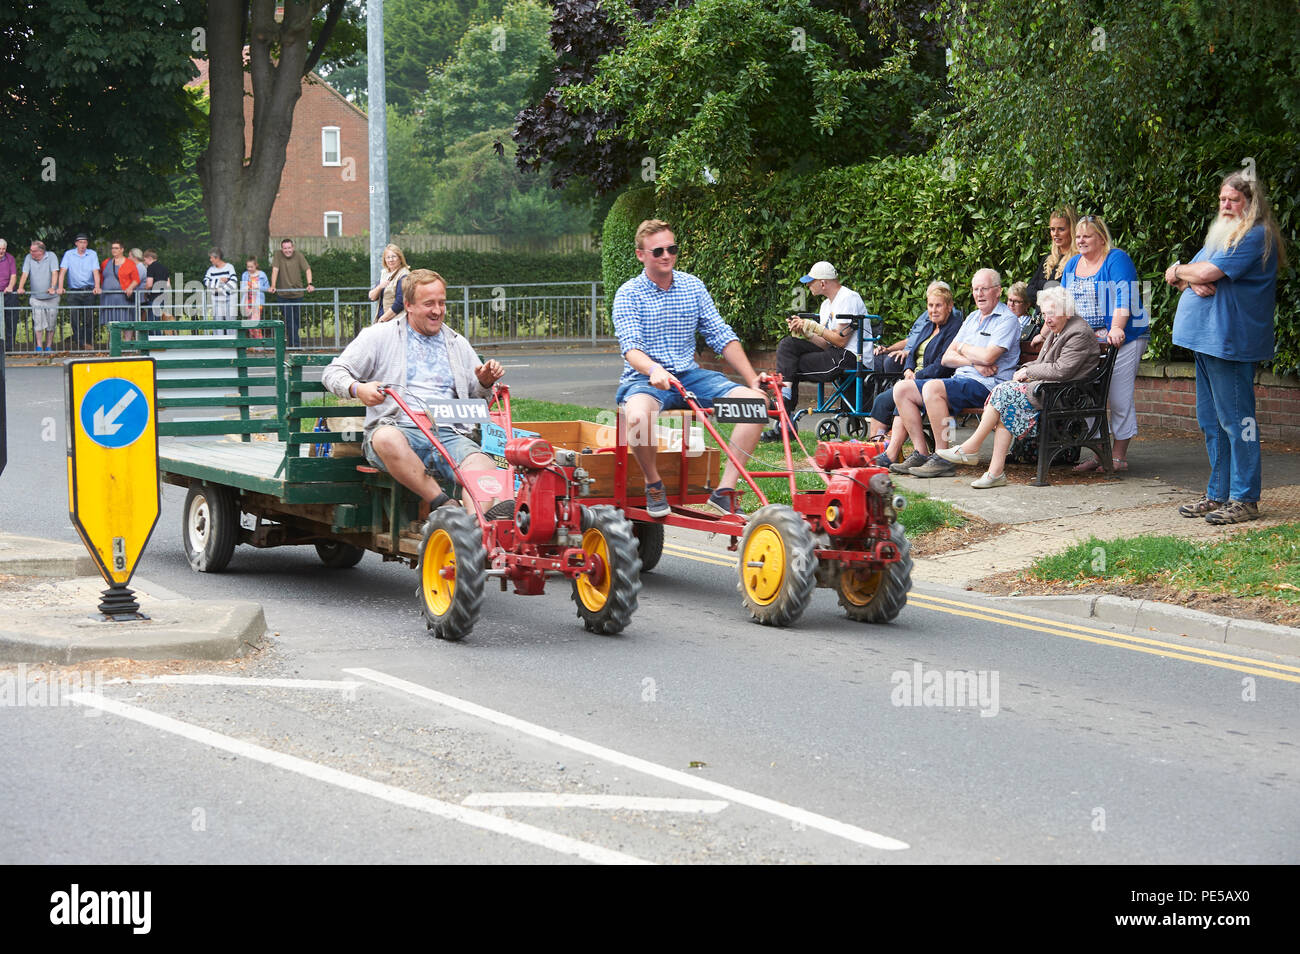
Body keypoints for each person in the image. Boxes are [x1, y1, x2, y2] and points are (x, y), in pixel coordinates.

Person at [321, 269, 510, 517]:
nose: (437, 310)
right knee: (386, 438)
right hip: (398, 429)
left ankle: (476, 530)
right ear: (408, 305)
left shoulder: (456, 342)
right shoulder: (380, 335)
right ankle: (444, 504)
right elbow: (333, 372)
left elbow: (475, 397)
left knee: (483, 466)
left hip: (449, 434)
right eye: (429, 303)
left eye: (442, 303)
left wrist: (484, 382)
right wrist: (359, 388)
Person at [612, 219, 767, 517]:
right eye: (658, 251)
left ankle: (724, 491)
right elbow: (631, 348)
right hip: (645, 380)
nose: (666, 255)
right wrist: (654, 370)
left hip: (690, 377)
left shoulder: (692, 286)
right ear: (640, 255)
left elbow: (720, 334)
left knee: (756, 404)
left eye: (672, 249)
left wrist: (752, 379)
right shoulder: (628, 294)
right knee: (637, 418)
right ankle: (653, 483)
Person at [1166, 171, 1284, 525]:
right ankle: (1218, 494)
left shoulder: (1254, 235)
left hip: (1230, 342)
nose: (1226, 205)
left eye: (1234, 199)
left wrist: (1188, 273)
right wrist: (1184, 273)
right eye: (1222, 199)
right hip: (1204, 340)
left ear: (1251, 202)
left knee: (1239, 421)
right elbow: (1181, 275)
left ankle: (1245, 498)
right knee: (1211, 422)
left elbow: (1203, 274)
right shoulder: (1222, 234)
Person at [935, 287, 1100, 487]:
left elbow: (1061, 370)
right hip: (1051, 390)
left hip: (1065, 396)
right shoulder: (1060, 327)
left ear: (1066, 311)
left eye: (1051, 313)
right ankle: (994, 472)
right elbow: (1043, 362)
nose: (1047, 319)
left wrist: (1028, 373)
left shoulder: (1077, 332)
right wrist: (1025, 368)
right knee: (1004, 399)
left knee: (1003, 393)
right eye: (1045, 313)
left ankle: (972, 449)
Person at [891, 268, 1021, 477]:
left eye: (984, 289)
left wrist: (962, 348)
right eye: (975, 289)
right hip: (962, 379)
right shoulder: (971, 318)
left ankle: (943, 457)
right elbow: (946, 358)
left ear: (998, 291)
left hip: (987, 385)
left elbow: (989, 358)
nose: (979, 294)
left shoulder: (1007, 320)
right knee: (902, 389)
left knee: (934, 388)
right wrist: (974, 360)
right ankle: (922, 453)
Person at [1061, 215, 1148, 472]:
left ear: (1101, 237)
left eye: (1086, 235)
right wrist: (1047, 330)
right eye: (1078, 236)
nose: (1080, 240)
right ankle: (1099, 453)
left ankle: (1118, 455)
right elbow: (1063, 301)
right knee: (1086, 396)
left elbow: (1126, 294)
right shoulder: (1073, 263)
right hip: (1087, 341)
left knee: (1119, 397)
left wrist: (1118, 327)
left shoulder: (1116, 258)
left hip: (1122, 338)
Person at [762, 260, 867, 441]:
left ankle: (783, 415)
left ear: (823, 283)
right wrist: (805, 331)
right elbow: (824, 343)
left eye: (811, 282)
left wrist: (813, 326)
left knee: (790, 366)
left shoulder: (849, 298)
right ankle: (784, 404)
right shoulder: (825, 305)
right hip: (832, 353)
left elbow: (841, 341)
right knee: (788, 345)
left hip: (849, 356)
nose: (808, 285)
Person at [867, 281, 963, 464]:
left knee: (901, 399)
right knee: (881, 400)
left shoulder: (954, 328)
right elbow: (911, 352)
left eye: (938, 305)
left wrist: (916, 376)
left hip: (937, 382)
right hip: (915, 379)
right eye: (930, 305)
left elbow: (943, 364)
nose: (933, 310)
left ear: (949, 307)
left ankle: (894, 454)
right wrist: (909, 369)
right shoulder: (929, 325)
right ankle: (875, 448)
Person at [1025, 207, 1077, 309]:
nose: (1055, 234)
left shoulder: (1077, 260)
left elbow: (1068, 296)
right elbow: (1029, 290)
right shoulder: (1047, 259)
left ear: (1072, 230)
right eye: (1052, 229)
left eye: (1061, 229)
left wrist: (1041, 296)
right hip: (1042, 319)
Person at [57, 233, 101, 348]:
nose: (82, 245)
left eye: (85, 242)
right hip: (74, 291)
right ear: (76, 243)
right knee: (74, 318)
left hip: (89, 290)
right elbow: (62, 272)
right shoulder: (69, 254)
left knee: (89, 318)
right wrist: (60, 287)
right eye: (80, 242)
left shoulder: (92, 254)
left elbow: (95, 271)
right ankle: (80, 342)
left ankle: (89, 342)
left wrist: (97, 286)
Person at [269, 238, 313, 347]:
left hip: (297, 294)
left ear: (292, 247)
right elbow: (275, 270)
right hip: (283, 295)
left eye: (289, 248)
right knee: (289, 320)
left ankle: (293, 344)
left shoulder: (298, 255)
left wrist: (310, 284)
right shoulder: (278, 255)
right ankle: (295, 345)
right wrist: (273, 285)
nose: (287, 250)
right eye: (285, 248)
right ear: (282, 249)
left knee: (296, 321)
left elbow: (307, 269)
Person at [18, 240, 60, 353]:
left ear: (41, 251)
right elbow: (25, 273)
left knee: (51, 323)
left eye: (34, 251)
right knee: (38, 322)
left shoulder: (51, 256)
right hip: (36, 297)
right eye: (30, 250)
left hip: (52, 297)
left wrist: (52, 287)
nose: (31, 252)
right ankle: (39, 346)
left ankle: (49, 346)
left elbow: (55, 272)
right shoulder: (29, 257)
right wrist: (20, 287)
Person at [98, 240, 139, 332]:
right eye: (112, 248)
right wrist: (99, 287)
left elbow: (136, 279)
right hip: (108, 298)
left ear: (122, 250)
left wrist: (130, 287)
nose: (113, 250)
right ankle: (112, 344)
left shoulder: (129, 263)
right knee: (110, 322)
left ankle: (127, 344)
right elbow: (100, 276)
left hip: (123, 297)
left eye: (116, 248)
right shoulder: (105, 262)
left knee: (126, 321)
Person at [369, 243, 411, 323]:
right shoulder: (385, 273)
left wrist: (382, 320)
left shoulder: (404, 275)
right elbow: (371, 297)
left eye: (394, 256)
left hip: (396, 321)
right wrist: (380, 286)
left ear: (400, 258)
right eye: (388, 257)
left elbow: (400, 303)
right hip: (383, 321)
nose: (391, 260)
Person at [203, 248, 238, 329]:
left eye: (211, 258)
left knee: (231, 325)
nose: (210, 260)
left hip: (229, 299)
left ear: (217, 257)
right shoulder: (211, 270)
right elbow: (206, 281)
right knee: (217, 325)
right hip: (216, 300)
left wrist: (220, 289)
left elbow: (233, 281)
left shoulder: (229, 267)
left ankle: (232, 341)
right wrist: (219, 281)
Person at [241, 257, 269, 337]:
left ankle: (259, 344)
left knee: (255, 322)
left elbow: (267, 288)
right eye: (248, 267)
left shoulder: (262, 274)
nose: (249, 269)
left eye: (251, 267)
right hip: (247, 301)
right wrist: (244, 288)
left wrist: (258, 287)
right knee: (250, 324)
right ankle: (252, 345)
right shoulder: (245, 274)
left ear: (256, 265)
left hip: (257, 302)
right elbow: (242, 287)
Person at [142, 249, 171, 321]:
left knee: (153, 321)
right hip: (163, 297)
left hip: (154, 297)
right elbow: (168, 285)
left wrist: (144, 293)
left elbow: (149, 284)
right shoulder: (164, 268)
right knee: (158, 320)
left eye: (144, 260)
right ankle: (158, 332)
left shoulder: (150, 268)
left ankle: (156, 333)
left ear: (150, 258)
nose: (144, 262)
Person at [0, 239, 18, 352]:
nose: (1, 251)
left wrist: (10, 287)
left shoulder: (10, 258)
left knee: (11, 321)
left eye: (3, 249)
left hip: (9, 294)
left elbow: (13, 275)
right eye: (0, 249)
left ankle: (9, 348)